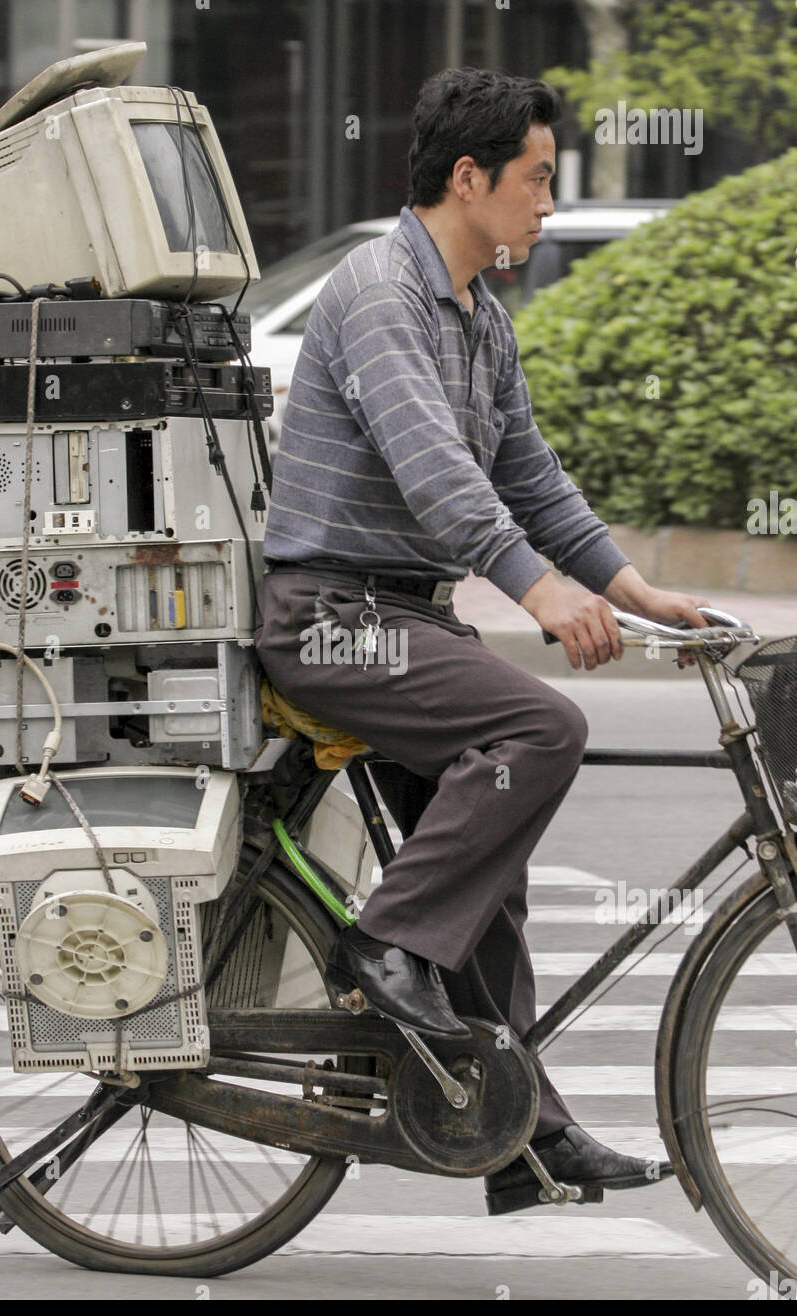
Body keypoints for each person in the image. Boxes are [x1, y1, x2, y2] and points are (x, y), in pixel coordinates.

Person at [253, 68, 706, 1214]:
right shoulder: (380, 294)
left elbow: (528, 477)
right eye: (537, 179)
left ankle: (523, 1135)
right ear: (470, 178)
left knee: (488, 872)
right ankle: (386, 943)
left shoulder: (475, 315)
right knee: (537, 722)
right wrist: (539, 594)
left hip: (401, 615)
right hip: (332, 620)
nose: (547, 204)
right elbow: (439, 477)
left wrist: (634, 586)